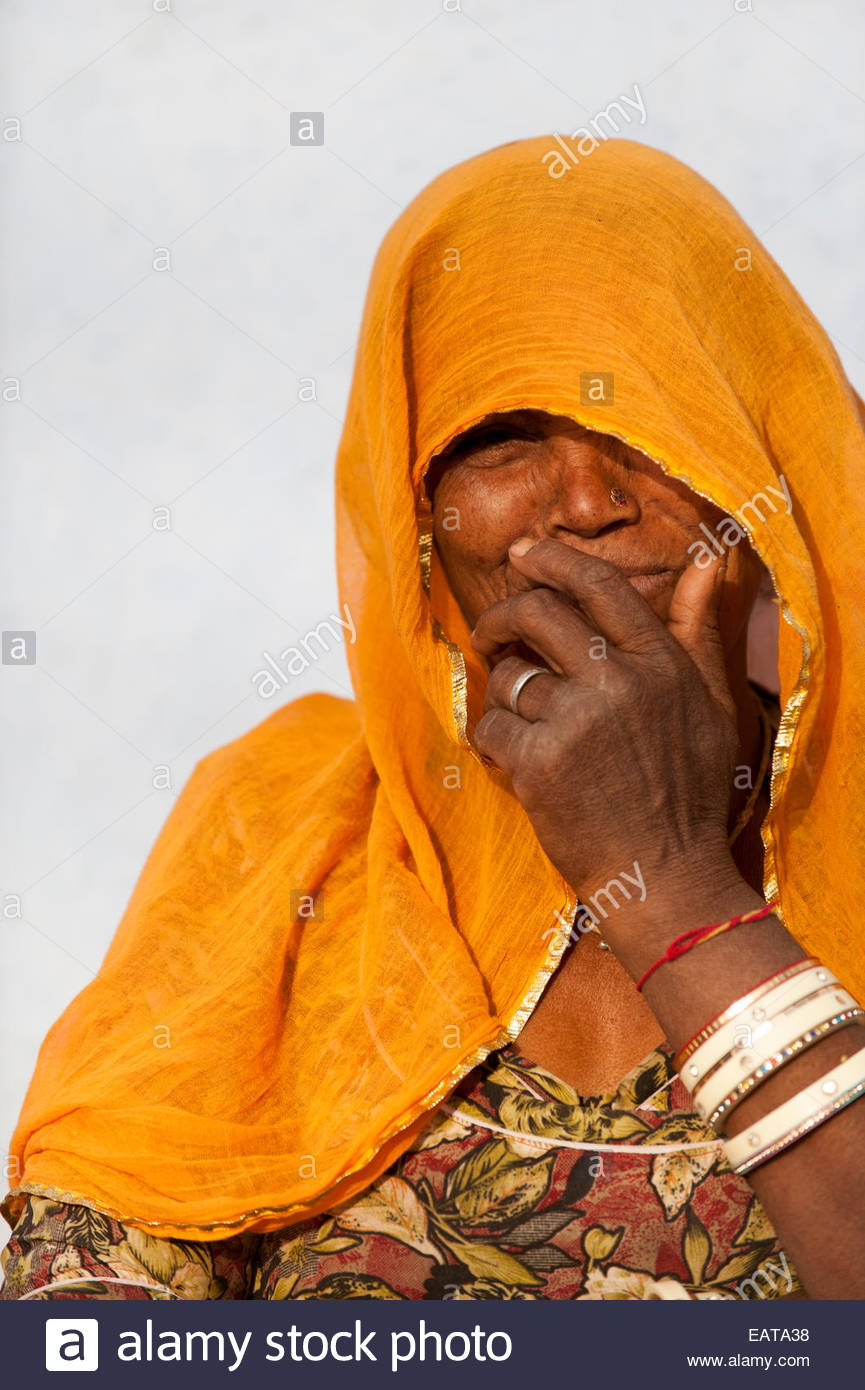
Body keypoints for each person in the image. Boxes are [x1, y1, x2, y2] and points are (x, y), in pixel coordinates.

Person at [3, 136, 865, 1301]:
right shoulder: (292, 824)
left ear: (766, 454)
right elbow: (77, 1327)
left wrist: (672, 883)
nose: (588, 503)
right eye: (504, 439)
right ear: (417, 518)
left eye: (657, 421)